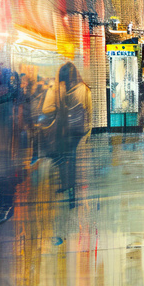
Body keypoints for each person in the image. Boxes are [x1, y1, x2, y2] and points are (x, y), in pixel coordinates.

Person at [45, 62, 91, 208]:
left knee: (64, 157)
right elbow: (89, 110)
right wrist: (88, 130)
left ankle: (68, 188)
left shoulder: (58, 89)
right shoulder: (83, 88)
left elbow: (47, 109)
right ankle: (70, 190)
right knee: (70, 158)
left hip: (64, 130)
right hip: (76, 130)